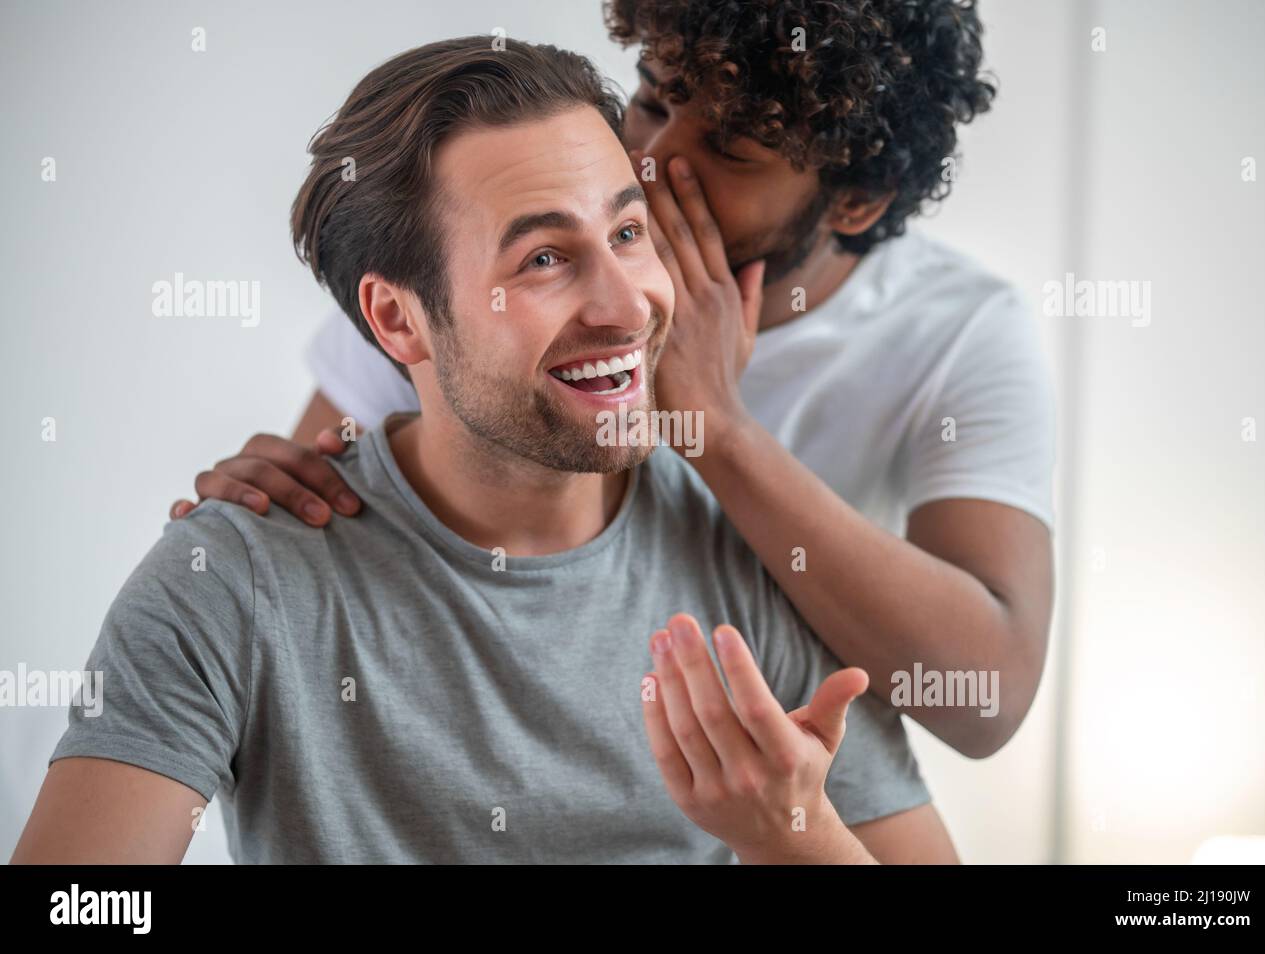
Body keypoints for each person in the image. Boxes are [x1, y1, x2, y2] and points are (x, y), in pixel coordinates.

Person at [13, 38, 957, 864]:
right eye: (543, 258)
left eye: (629, 232)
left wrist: (797, 841)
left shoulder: (753, 558)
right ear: (396, 319)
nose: (628, 304)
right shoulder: (231, 579)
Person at [181, 0, 1056, 759]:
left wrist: (716, 430)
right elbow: (317, 528)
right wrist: (275, 501)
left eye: (734, 149)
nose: (647, 162)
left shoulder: (960, 331)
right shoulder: (480, 274)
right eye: (651, 100)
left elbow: (988, 699)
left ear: (857, 200)